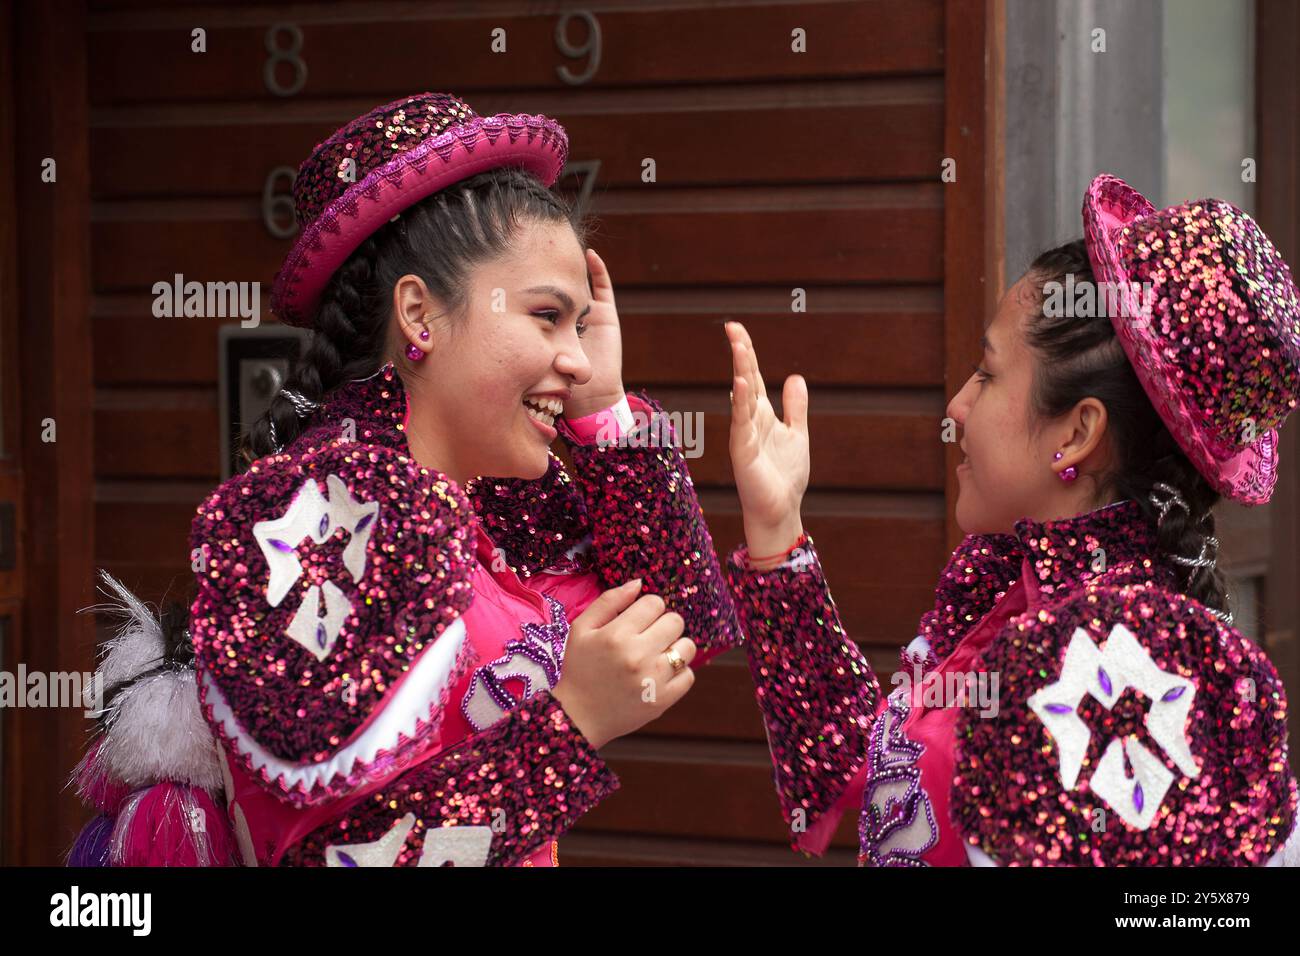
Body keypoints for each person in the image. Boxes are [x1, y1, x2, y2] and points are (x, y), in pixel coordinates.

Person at [67, 92, 740, 867]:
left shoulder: (477, 510)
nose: (578, 358)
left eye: (580, 326)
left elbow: (673, 625)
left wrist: (607, 411)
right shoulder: (322, 517)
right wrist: (572, 722)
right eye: (547, 317)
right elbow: (334, 857)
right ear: (420, 315)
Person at [723, 173, 1300, 865]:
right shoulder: (1011, 586)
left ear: (1078, 432)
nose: (958, 406)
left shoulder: (1124, 673)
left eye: (988, 373)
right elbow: (870, 765)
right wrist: (776, 523)